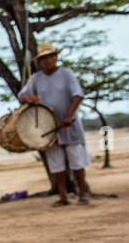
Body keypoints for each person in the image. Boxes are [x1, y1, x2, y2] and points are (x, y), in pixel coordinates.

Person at [18, 42, 91, 206]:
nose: (47, 61)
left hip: (69, 125)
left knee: (77, 162)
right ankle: (63, 196)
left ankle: (83, 193)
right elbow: (22, 96)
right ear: (39, 61)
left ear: (55, 57)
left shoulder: (67, 74)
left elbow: (78, 95)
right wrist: (29, 98)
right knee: (56, 164)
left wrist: (69, 115)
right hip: (49, 128)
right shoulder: (34, 79)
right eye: (43, 58)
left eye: (50, 57)